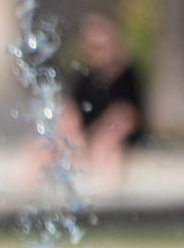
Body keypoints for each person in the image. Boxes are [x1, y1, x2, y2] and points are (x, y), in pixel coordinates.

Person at [60, 11, 145, 179]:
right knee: (50, 142)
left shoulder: (126, 76)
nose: (97, 54)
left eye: (101, 48)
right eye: (92, 48)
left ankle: (104, 189)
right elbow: (71, 110)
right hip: (87, 136)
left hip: (117, 139)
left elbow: (128, 115)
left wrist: (100, 138)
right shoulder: (84, 78)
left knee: (109, 146)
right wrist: (73, 134)